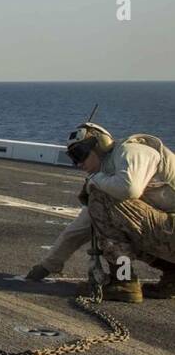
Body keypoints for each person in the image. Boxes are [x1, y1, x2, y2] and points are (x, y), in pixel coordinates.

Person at [53, 121, 175, 302]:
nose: (79, 163)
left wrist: (95, 181)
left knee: (100, 199)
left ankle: (123, 280)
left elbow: (129, 189)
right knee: (108, 214)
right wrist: (50, 262)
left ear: (99, 144)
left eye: (80, 154)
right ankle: (173, 276)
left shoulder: (132, 151)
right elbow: (87, 222)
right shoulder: (112, 171)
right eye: (73, 157)